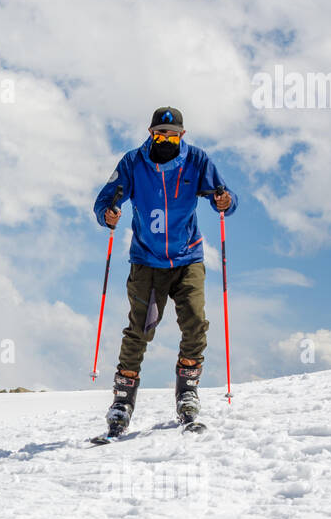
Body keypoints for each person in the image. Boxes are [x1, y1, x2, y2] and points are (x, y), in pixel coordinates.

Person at [92, 107, 237, 436]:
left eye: (172, 135)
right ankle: (122, 401)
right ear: (150, 132)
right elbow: (105, 200)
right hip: (147, 261)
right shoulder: (133, 162)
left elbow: (223, 197)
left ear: (182, 135)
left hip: (187, 258)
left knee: (195, 323)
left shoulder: (197, 161)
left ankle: (187, 393)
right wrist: (107, 214)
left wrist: (225, 201)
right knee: (140, 331)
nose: (166, 140)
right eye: (160, 134)